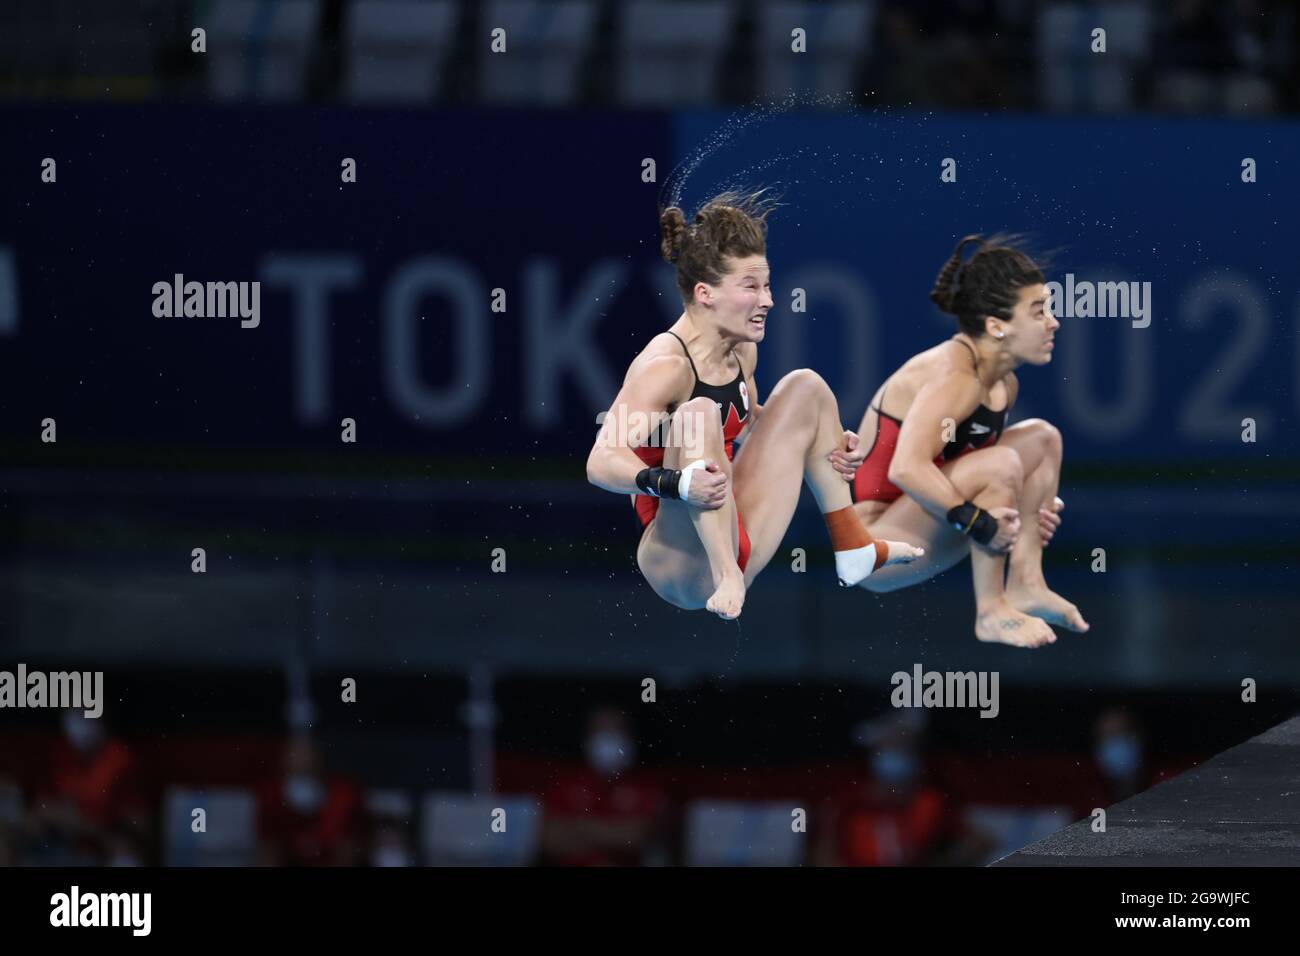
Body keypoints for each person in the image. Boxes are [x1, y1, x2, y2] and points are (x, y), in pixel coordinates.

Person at [587, 189, 920, 620]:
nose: (768, 300)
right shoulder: (663, 365)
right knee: (698, 414)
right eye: (751, 287)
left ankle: (852, 544)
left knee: (807, 387)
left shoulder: (742, 350)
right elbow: (599, 464)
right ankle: (727, 574)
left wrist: (826, 441)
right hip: (677, 559)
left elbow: (746, 427)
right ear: (705, 293)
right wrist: (675, 484)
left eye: (766, 285)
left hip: (738, 529)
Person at [849, 235, 1088, 648]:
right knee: (1003, 465)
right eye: (1038, 312)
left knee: (1043, 439)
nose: (1054, 322)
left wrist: (1031, 507)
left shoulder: (1003, 384)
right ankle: (991, 611)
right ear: (996, 325)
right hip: (873, 548)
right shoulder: (955, 375)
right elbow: (906, 467)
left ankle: (1026, 583)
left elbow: (972, 477)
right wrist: (980, 521)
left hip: (924, 522)